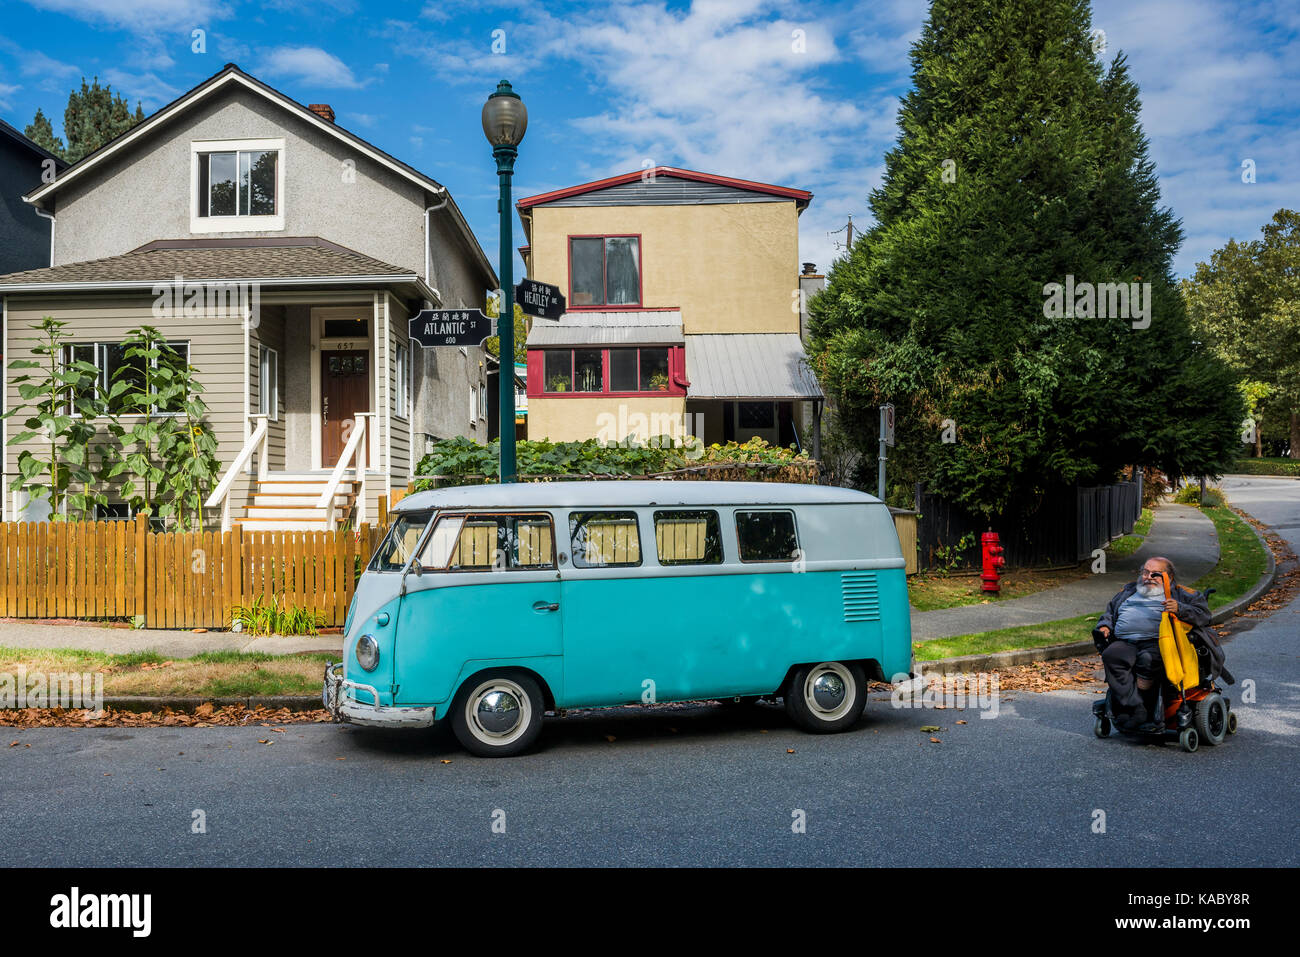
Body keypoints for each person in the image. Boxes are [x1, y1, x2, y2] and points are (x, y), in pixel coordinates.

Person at [1092, 557, 1210, 732]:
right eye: (1145, 572)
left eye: (1155, 574)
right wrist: (1104, 626)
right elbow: (1110, 612)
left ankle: (1144, 709)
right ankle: (1135, 708)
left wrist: (1180, 609)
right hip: (1126, 641)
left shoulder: (1183, 594)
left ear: (1168, 577)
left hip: (1159, 642)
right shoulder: (1129, 590)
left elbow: (1204, 616)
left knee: (1147, 659)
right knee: (1111, 655)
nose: (1148, 577)